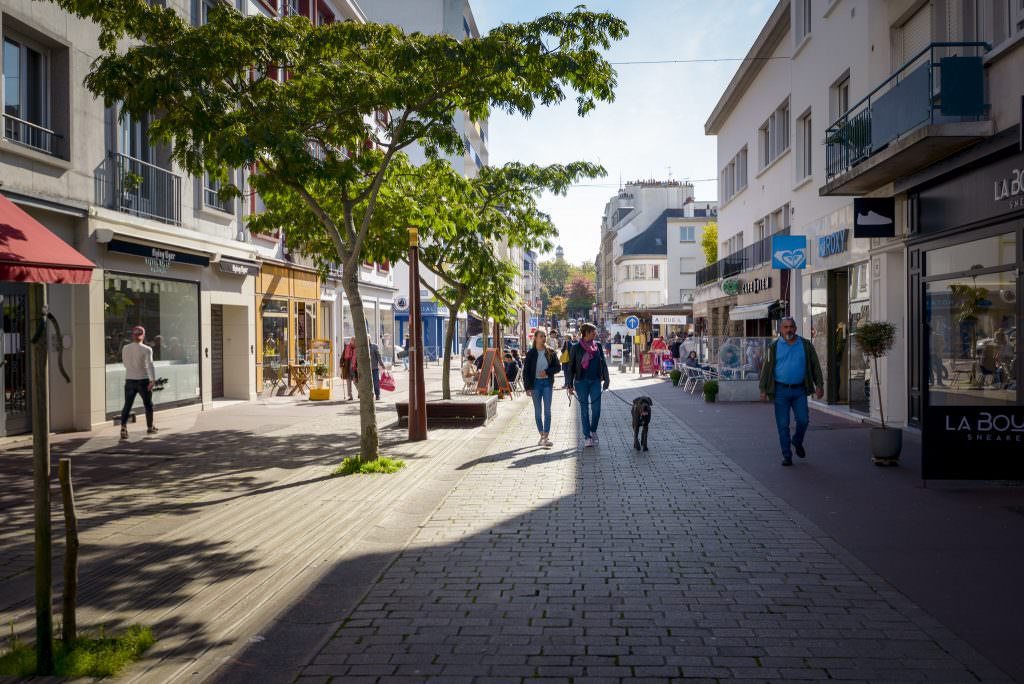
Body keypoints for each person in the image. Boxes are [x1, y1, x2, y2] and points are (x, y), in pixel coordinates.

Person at [759, 317, 824, 466]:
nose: (788, 330)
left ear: (795, 328)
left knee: (803, 420)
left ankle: (797, 440)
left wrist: (819, 385)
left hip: (799, 390)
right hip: (780, 390)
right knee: (783, 424)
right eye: (785, 327)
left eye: (791, 327)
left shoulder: (806, 345)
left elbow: (815, 366)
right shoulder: (773, 347)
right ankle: (786, 455)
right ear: (781, 329)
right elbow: (766, 368)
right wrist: (762, 389)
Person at [566, 323, 610, 448]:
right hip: (581, 382)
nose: (594, 334)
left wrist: (607, 379)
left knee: (596, 410)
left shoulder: (598, 346)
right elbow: (571, 367)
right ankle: (587, 437)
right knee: (584, 410)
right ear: (585, 333)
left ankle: (593, 430)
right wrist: (569, 384)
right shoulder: (575, 348)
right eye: (592, 332)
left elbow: (603, 364)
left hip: (595, 381)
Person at [523, 329, 561, 447]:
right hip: (535, 385)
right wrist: (527, 387)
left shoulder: (550, 352)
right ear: (535, 338)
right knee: (538, 412)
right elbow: (526, 372)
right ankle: (542, 435)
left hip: (547, 384)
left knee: (548, 411)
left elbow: (558, 367)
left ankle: (546, 436)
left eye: (544, 336)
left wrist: (547, 372)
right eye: (541, 336)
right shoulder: (531, 354)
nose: (544, 338)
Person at [119, 325, 158, 439]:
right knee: (148, 404)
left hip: (129, 379)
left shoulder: (125, 348)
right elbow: (150, 365)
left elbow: (125, 364)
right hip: (143, 380)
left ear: (132, 335)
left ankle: (123, 427)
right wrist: (153, 380)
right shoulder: (147, 349)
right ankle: (150, 427)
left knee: (127, 405)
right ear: (143, 336)